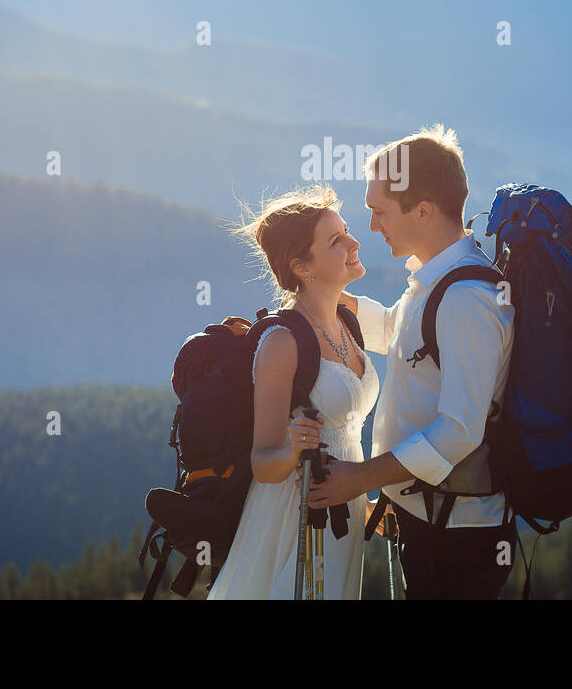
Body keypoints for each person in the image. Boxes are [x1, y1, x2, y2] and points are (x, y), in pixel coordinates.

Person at [306, 124, 519, 599]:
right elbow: (404, 339)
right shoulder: (439, 279)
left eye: (379, 212)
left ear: (423, 211)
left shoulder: (466, 299)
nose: (373, 226)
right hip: (430, 515)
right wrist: (328, 296)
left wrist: (362, 478)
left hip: (458, 534)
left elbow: (461, 430)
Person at [206, 184, 378, 599]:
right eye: (337, 240)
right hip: (291, 520)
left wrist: (365, 499)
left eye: (347, 230)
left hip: (343, 510)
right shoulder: (282, 342)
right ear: (303, 266)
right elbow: (263, 461)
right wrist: (290, 450)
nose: (355, 242)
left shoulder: (348, 326)